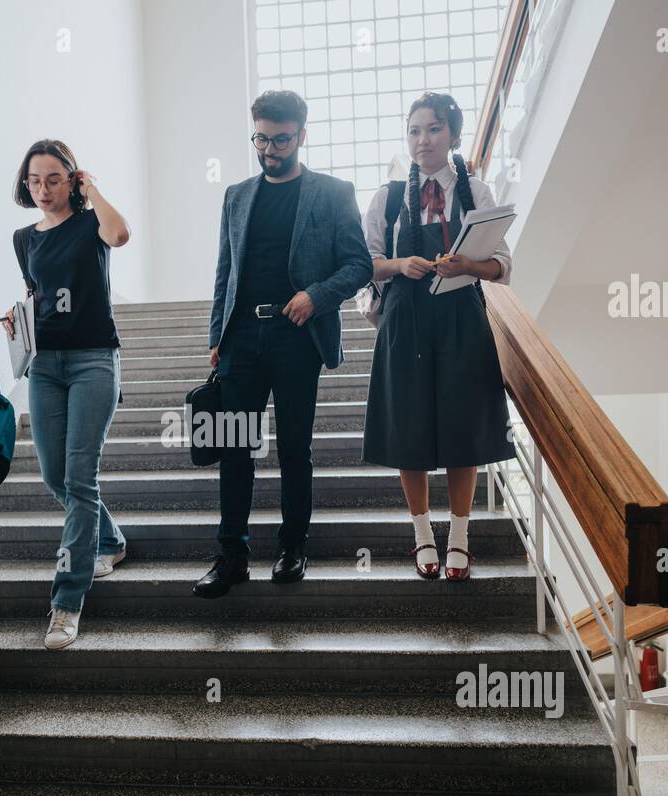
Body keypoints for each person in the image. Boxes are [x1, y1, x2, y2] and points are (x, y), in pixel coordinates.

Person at [194, 90, 373, 598]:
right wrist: (216, 336)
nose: (269, 149)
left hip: (297, 338)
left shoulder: (334, 192)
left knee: (295, 449)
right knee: (234, 448)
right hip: (241, 339)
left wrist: (315, 297)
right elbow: (224, 271)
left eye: (280, 139)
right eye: (261, 138)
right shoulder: (236, 195)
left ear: (301, 135)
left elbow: (358, 265)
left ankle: (293, 547)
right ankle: (232, 555)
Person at [362, 92, 516, 581]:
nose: (422, 140)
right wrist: (397, 265)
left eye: (432, 129)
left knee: (462, 428)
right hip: (404, 321)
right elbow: (363, 263)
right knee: (409, 426)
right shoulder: (386, 198)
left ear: (452, 134)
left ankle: (461, 538)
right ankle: (423, 534)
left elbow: (503, 264)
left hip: (461, 319)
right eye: (414, 130)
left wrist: (469, 264)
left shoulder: (476, 191)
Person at [1, 140, 130, 649]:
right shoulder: (23, 238)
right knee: (56, 476)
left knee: (79, 477)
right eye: (34, 180)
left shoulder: (91, 223)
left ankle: (66, 602)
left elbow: (120, 234)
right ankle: (112, 540)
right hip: (44, 364)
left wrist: (92, 190)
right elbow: (40, 295)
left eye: (54, 178)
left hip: (94, 358)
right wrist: (19, 318)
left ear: (72, 179)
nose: (43, 189)